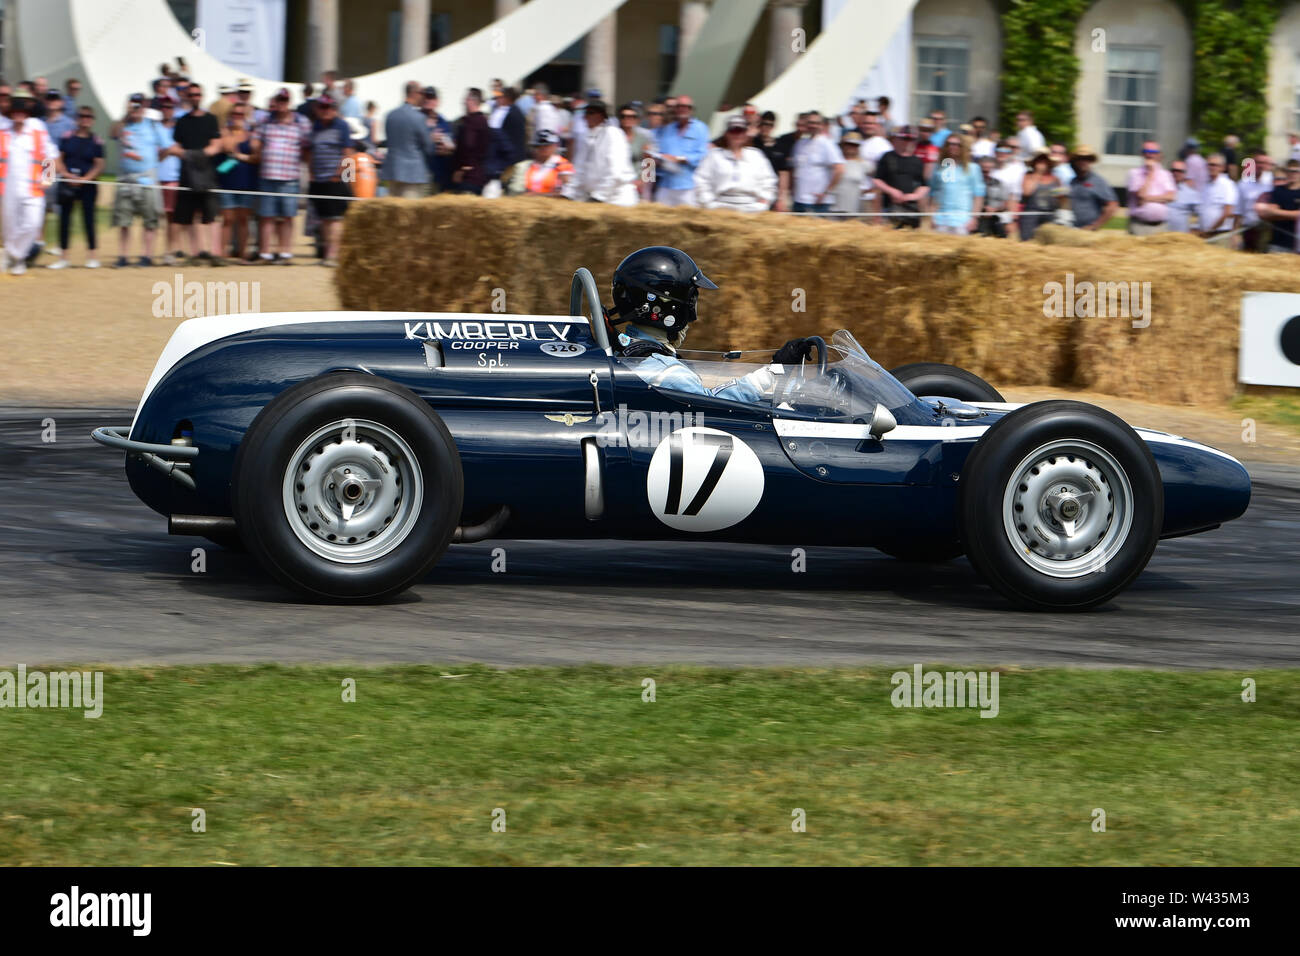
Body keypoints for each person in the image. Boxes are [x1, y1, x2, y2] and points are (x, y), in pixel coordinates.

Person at [607, 246, 814, 403]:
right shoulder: (665, 372)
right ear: (666, 306)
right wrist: (774, 372)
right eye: (691, 303)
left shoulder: (624, 348)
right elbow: (718, 405)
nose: (693, 315)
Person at [165, 82, 224, 264]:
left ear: (202, 96)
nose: (195, 97)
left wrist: (197, 154)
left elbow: (217, 145)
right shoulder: (182, 122)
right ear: (187, 97)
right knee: (185, 215)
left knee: (211, 215)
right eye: (192, 95)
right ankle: (191, 253)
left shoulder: (211, 119)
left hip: (206, 173)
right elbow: (175, 147)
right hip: (188, 174)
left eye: (198, 94)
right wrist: (188, 154)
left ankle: (215, 253)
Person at [251, 89, 310, 263]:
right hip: (268, 175)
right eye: (280, 100)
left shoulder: (301, 121)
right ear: (275, 102)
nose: (282, 103)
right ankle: (265, 253)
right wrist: (258, 149)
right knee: (266, 216)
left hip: (290, 176)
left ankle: (285, 253)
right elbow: (255, 139)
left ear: (289, 101)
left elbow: (307, 145)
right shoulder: (266, 120)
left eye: (285, 100)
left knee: (288, 216)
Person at [0, 95, 55, 275]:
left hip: (33, 187)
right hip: (8, 187)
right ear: (11, 114)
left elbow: (50, 152)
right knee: (10, 226)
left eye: (22, 112)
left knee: (33, 223)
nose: (19, 115)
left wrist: (48, 177)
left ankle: (9, 253)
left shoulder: (37, 129)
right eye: (15, 112)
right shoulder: (3, 131)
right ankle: (19, 260)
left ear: (26, 114)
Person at [49, 104, 104, 269]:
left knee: (89, 219)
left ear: (93, 120)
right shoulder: (67, 138)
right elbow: (58, 159)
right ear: (77, 118)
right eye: (82, 116)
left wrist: (85, 179)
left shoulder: (96, 141)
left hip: (87, 186)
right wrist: (67, 175)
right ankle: (63, 257)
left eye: (89, 117)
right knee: (64, 220)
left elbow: (99, 165)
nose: (85, 119)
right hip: (67, 184)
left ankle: (92, 256)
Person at [307, 93, 354, 266]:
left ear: (335, 109)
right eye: (323, 107)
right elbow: (310, 152)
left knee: (335, 219)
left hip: (335, 180)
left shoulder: (342, 126)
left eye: (330, 107)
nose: (326, 110)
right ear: (318, 109)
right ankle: (328, 254)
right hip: (319, 180)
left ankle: (334, 256)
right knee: (325, 219)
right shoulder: (316, 127)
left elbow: (348, 153)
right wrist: (311, 173)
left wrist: (340, 176)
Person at [694, 115, 777, 212]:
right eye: (733, 131)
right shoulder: (714, 156)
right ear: (726, 134)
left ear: (746, 134)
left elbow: (769, 181)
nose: (737, 135)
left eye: (741, 131)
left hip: (752, 208)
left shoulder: (756, 156)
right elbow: (700, 180)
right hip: (720, 207)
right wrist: (708, 202)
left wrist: (764, 201)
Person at [570, 99, 637, 205]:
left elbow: (649, 160)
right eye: (623, 116)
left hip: (620, 193)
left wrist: (646, 181)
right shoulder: (590, 136)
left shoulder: (645, 136)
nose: (626, 119)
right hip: (599, 193)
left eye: (631, 116)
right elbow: (580, 168)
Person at [652, 94, 710, 206]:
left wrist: (679, 159)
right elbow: (649, 158)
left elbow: (704, 156)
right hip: (665, 185)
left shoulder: (700, 128)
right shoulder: (659, 131)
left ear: (691, 109)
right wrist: (645, 186)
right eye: (679, 106)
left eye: (686, 106)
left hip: (689, 186)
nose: (682, 109)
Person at [218, 104, 257, 262]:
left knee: (243, 219)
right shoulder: (224, 132)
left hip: (246, 181)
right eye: (234, 114)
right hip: (227, 181)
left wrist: (240, 155)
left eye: (240, 114)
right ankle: (222, 253)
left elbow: (256, 156)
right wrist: (234, 133)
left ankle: (242, 252)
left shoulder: (250, 135)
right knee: (227, 218)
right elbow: (228, 147)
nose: (237, 116)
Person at [382, 81, 433, 199]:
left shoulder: (390, 115)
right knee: (410, 214)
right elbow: (429, 147)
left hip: (393, 171)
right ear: (414, 93)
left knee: (394, 214)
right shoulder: (419, 118)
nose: (423, 96)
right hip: (413, 174)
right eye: (422, 93)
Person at [927, 133, 983, 235]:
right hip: (941, 219)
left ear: (962, 147)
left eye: (957, 144)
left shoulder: (973, 168)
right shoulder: (939, 167)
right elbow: (933, 193)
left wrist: (974, 218)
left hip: (962, 220)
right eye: (950, 144)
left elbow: (978, 195)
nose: (953, 147)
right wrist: (931, 217)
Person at [873, 125, 927, 229]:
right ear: (897, 139)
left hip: (911, 210)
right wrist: (891, 191)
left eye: (911, 139)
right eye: (905, 138)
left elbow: (924, 186)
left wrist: (912, 196)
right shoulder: (887, 157)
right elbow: (877, 180)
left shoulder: (917, 161)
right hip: (890, 208)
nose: (908, 142)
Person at [790, 112, 844, 214]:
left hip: (818, 202)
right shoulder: (799, 144)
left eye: (816, 123)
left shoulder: (827, 144)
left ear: (821, 125)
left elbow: (839, 169)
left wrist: (827, 192)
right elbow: (794, 169)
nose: (813, 126)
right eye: (810, 123)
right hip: (799, 200)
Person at [1125, 141, 1175, 235]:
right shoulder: (1134, 173)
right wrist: (1150, 174)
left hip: (1160, 226)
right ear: (1142, 154)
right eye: (1147, 151)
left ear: (1159, 155)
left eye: (1153, 152)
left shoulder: (1165, 174)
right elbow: (1140, 196)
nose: (1150, 154)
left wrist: (1148, 198)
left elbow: (1171, 197)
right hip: (1140, 226)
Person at [507, 129, 573, 196]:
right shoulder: (527, 165)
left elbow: (567, 193)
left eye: (547, 145)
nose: (543, 148)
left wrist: (537, 195)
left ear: (554, 146)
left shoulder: (563, 165)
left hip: (552, 203)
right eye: (539, 146)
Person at [1066, 144, 1117, 231]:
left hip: (1089, 231)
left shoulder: (1098, 181)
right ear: (1075, 161)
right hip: (1072, 230)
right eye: (1080, 158)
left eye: (1087, 159)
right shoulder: (1073, 181)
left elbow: (1112, 206)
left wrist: (1095, 225)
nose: (1083, 161)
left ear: (1091, 161)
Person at [1256, 158, 1300, 253]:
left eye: (1296, 171)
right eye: (1290, 171)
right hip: (1278, 243)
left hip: (1296, 243)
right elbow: (1269, 213)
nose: (1292, 174)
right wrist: (1293, 215)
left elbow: (1274, 212)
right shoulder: (1278, 190)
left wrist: (1278, 213)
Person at [451, 87, 490, 194]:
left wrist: (461, 169)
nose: (463, 102)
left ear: (471, 101)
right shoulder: (483, 121)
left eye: (465, 99)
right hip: (478, 176)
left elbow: (468, 146)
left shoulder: (471, 123)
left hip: (469, 179)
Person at [1017, 151, 1058, 241]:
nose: (1042, 164)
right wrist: (1037, 175)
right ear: (1034, 163)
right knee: (1027, 240)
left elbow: (1058, 196)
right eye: (1039, 161)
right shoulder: (1028, 176)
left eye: (1045, 161)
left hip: (1049, 214)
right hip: (1031, 214)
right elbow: (1027, 192)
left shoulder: (1055, 178)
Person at [832, 131, 873, 216]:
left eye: (855, 145)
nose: (851, 147)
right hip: (833, 208)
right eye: (848, 144)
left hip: (853, 209)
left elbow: (879, 179)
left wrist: (869, 190)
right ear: (843, 145)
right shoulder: (835, 161)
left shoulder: (864, 164)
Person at [1197, 153, 1238, 240]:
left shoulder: (1228, 185)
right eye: (1209, 164)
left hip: (1220, 234)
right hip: (1205, 233)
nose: (1211, 167)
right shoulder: (1205, 185)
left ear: (1222, 167)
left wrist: (1211, 230)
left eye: (1215, 165)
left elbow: (1228, 212)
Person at [1165, 160, 1199, 234]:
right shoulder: (1161, 189)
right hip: (1161, 236)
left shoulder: (1191, 193)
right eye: (1173, 170)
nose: (1176, 173)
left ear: (1184, 174)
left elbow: (1199, 215)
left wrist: (1194, 228)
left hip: (1180, 238)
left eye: (1179, 171)